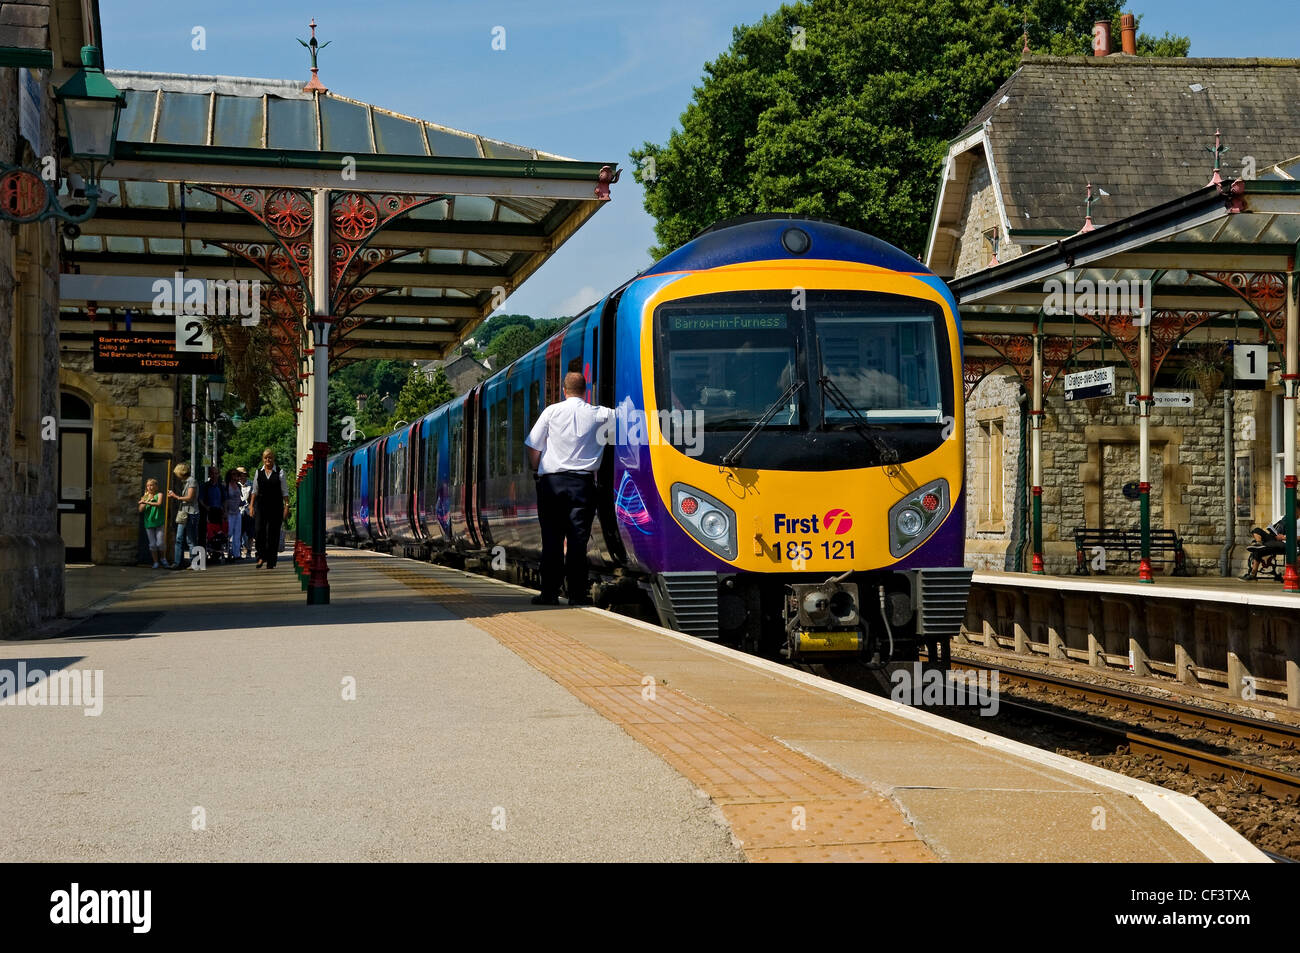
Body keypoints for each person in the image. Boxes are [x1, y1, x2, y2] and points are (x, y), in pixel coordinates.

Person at [524, 371, 614, 605]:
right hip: (582, 485)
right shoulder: (601, 414)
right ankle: (576, 595)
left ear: (564, 390)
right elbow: (630, 420)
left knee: (552, 539)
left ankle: (550, 594)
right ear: (586, 391)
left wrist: (536, 468)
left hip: (551, 484)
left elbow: (533, 445)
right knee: (577, 541)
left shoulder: (551, 411)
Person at [249, 448, 289, 569]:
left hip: (276, 506)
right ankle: (261, 556)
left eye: (270, 457)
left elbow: (285, 492)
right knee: (258, 531)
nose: (268, 460)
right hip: (261, 505)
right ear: (263, 459)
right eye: (266, 457)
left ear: (273, 459)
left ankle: (271, 560)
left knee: (273, 533)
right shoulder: (258, 472)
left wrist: (287, 506)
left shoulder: (280, 472)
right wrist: (251, 506)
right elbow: (254, 491)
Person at [167, 462, 198, 569]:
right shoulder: (185, 482)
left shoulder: (192, 481)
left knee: (190, 539)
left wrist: (176, 496)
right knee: (179, 538)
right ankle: (177, 562)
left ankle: (193, 563)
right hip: (183, 512)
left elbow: (190, 497)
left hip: (191, 513)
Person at [138, 478, 168, 569]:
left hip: (159, 522)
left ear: (156, 486)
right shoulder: (145, 496)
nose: (149, 487)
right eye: (147, 486)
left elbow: (159, 504)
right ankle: (156, 562)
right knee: (152, 544)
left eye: (151, 485)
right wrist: (144, 501)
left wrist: (147, 501)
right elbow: (140, 510)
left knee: (160, 543)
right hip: (149, 523)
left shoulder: (159, 494)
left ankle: (163, 558)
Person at [224, 468, 244, 560]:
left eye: (236, 474)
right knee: (229, 533)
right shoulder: (226, 486)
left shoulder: (238, 486)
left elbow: (240, 498)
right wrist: (224, 512)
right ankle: (228, 552)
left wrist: (242, 502)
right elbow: (225, 499)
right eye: (233, 474)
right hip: (229, 513)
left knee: (237, 533)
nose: (234, 476)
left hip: (237, 512)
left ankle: (236, 554)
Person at [237, 467, 254, 557]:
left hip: (248, 511)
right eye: (239, 475)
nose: (241, 477)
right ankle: (238, 550)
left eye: (243, 475)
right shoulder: (235, 485)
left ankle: (249, 551)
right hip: (238, 511)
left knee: (250, 533)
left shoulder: (251, 484)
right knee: (239, 532)